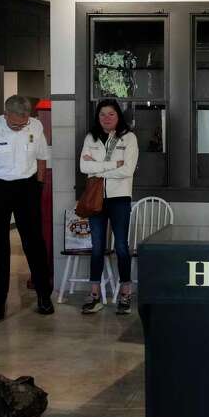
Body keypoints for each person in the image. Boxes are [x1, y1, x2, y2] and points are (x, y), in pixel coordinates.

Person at [0, 95, 53, 319]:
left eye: (24, 123)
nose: (20, 127)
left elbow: (42, 157)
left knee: (35, 243)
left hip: (28, 188)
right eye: (16, 123)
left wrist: (39, 184)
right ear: (5, 114)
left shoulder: (35, 125)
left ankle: (44, 297)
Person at [79, 99, 138, 314]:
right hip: (96, 199)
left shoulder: (129, 138)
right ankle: (94, 294)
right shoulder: (90, 137)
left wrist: (97, 170)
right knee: (96, 248)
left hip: (120, 198)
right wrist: (113, 165)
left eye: (111, 114)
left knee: (121, 246)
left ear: (118, 116)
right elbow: (84, 167)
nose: (106, 118)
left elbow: (128, 170)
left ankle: (125, 292)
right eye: (102, 114)